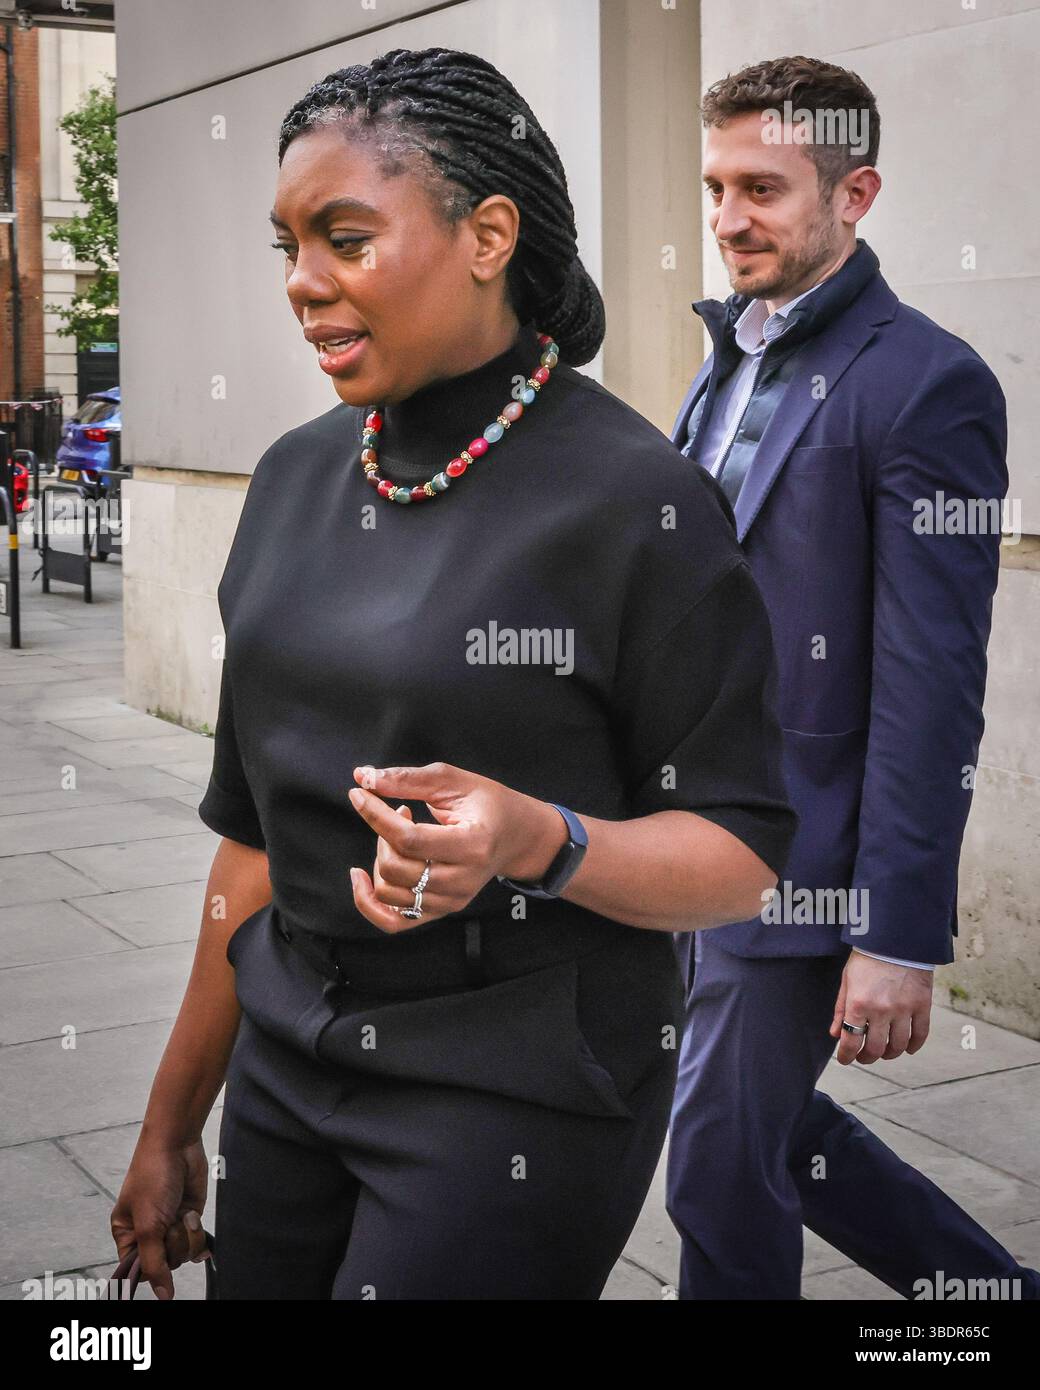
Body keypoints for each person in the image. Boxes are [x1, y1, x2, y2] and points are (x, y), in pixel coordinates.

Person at [110, 46, 796, 1301]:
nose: (305, 284)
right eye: (288, 247)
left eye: (347, 239)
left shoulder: (635, 501)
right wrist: (169, 1124)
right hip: (287, 1066)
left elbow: (741, 856)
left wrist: (538, 838)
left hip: (518, 1092)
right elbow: (254, 841)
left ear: (488, 235)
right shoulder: (290, 482)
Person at [666, 54, 1040, 1301]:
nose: (728, 218)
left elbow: (932, 683)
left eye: (762, 188)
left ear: (853, 192)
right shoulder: (723, 363)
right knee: (768, 1135)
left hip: (801, 870)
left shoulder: (927, 383)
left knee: (715, 1169)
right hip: (679, 839)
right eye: (716, 186)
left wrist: (894, 932)